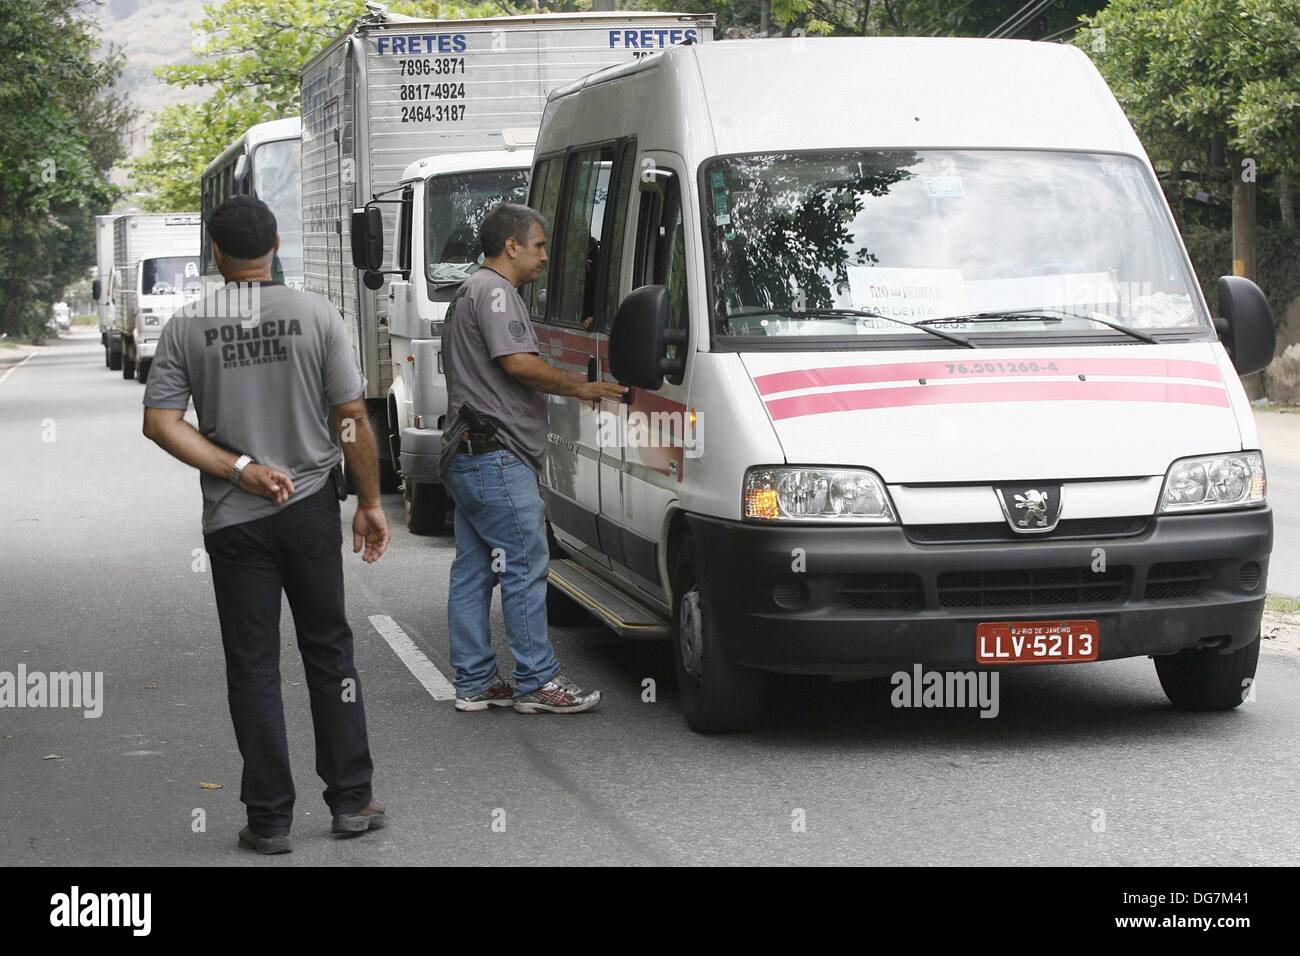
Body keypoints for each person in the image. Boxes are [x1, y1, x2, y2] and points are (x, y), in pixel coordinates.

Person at [142, 195, 389, 855]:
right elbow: (350, 418)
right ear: (276, 242)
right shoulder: (317, 314)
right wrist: (368, 499)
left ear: (216, 255)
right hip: (309, 507)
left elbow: (160, 423)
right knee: (329, 651)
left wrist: (238, 467)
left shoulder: (187, 328)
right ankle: (351, 799)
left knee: (252, 665)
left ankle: (271, 818)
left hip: (235, 520)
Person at [439, 202, 626, 714]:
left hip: (467, 454)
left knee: (475, 570)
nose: (545, 256)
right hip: (497, 455)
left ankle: (475, 681)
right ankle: (536, 682)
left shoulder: (469, 292)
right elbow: (517, 363)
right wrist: (580, 387)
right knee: (524, 564)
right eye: (539, 246)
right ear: (511, 246)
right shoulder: (496, 294)